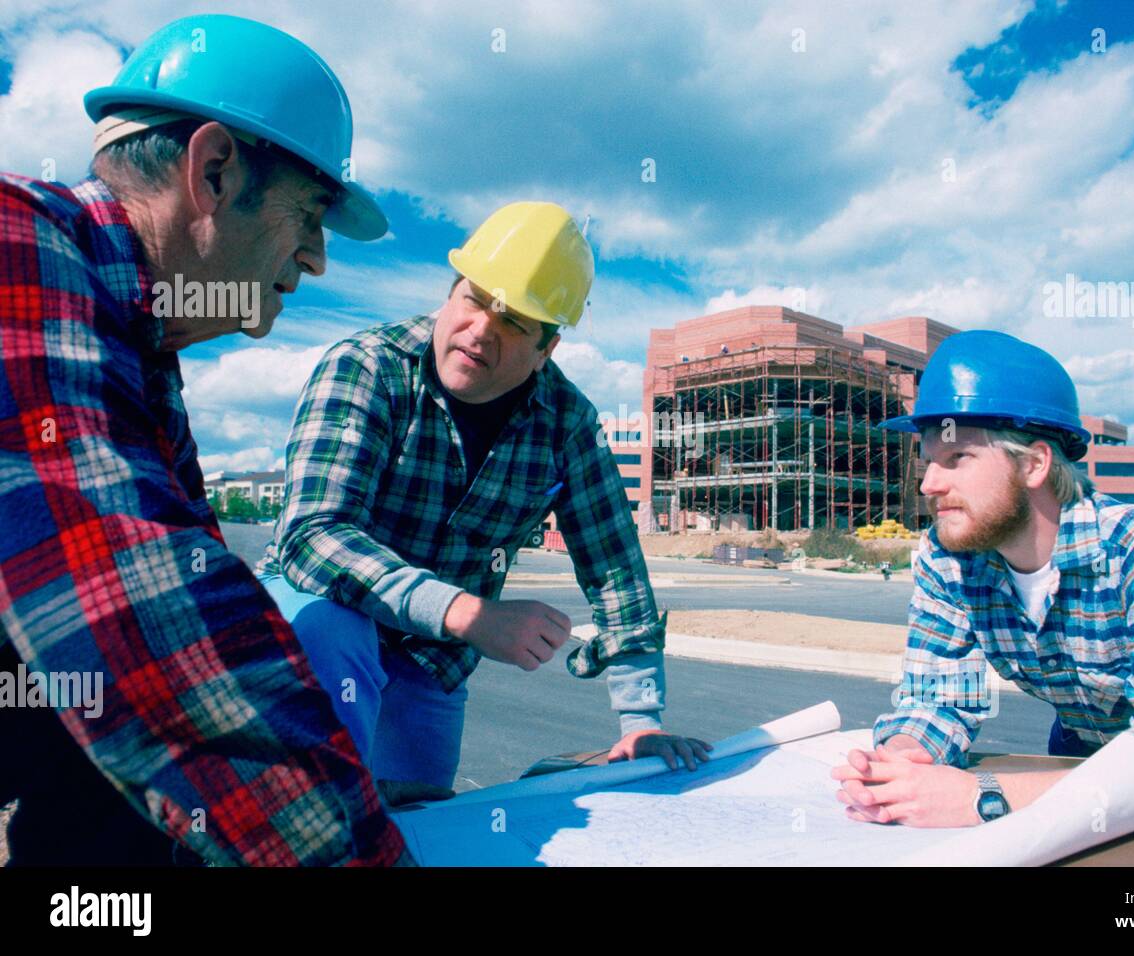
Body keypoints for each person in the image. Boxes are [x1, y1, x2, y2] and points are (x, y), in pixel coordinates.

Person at [0, 14, 408, 865]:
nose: (320, 259)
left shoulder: (142, 354)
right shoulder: (15, 244)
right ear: (215, 172)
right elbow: (150, 626)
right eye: (312, 212)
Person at [254, 202, 710, 801]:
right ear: (451, 293)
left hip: (431, 662)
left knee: (421, 822)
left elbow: (614, 564)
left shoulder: (568, 423)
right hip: (322, 621)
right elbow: (314, 538)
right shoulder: (365, 367)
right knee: (323, 783)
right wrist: (470, 614)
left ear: (546, 349)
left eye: (516, 321)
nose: (481, 329)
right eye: (475, 299)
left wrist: (641, 722)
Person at [833, 331, 1134, 828]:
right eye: (927, 463)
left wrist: (978, 797)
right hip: (1080, 758)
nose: (928, 484)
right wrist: (903, 761)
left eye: (956, 459)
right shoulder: (949, 558)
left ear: (1033, 464)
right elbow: (938, 701)